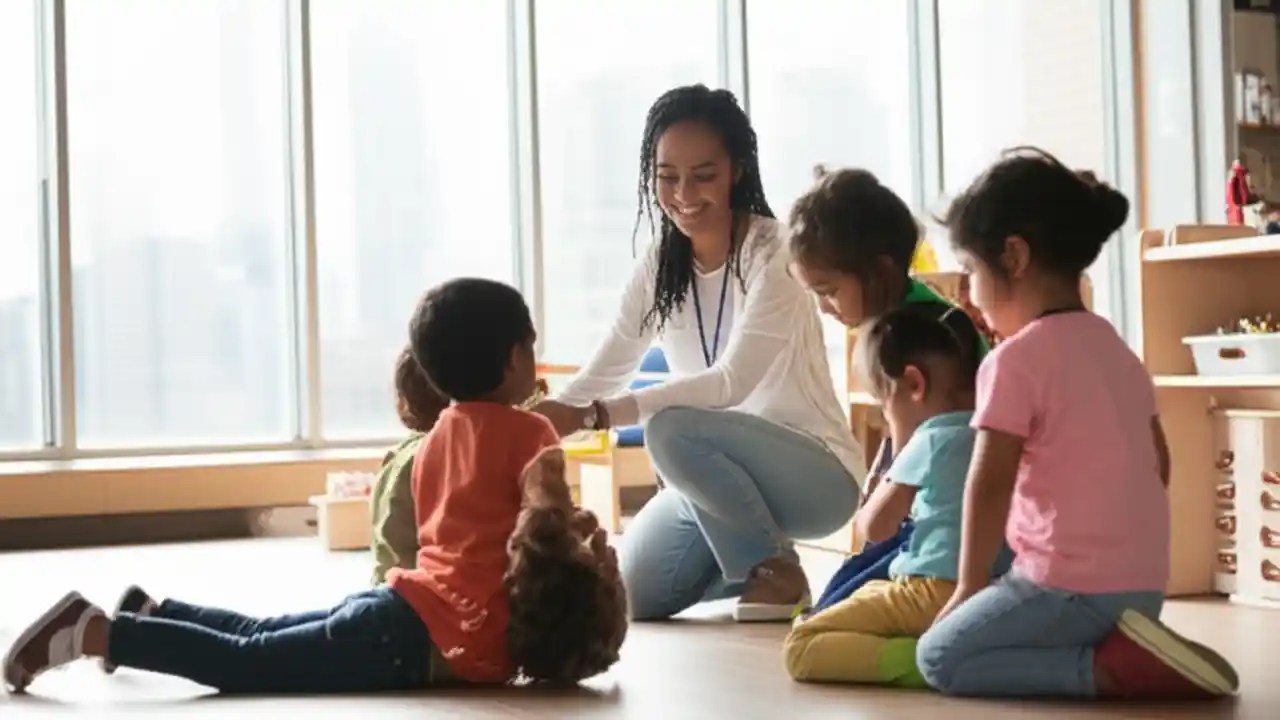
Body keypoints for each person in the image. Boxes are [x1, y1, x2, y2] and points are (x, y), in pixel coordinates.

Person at [3, 278, 627, 694]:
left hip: (405, 606)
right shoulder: (533, 435)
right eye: (532, 348)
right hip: (433, 638)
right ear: (515, 359)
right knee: (253, 663)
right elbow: (546, 532)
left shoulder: (435, 436)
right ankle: (98, 632)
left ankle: (155, 614)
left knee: (263, 635)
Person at [915, 148, 1238, 699]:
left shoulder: (1013, 360)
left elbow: (988, 482)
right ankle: (1130, 646)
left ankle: (1105, 671)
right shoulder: (1117, 350)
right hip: (1143, 590)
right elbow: (1158, 463)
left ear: (1013, 256)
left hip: (1065, 590)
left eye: (970, 269)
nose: (967, 292)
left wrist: (968, 586)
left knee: (938, 656)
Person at [531, 85, 861, 622]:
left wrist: (597, 417)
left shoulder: (775, 252)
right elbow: (612, 362)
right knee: (633, 594)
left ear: (736, 170)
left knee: (670, 429)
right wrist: (544, 423)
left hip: (815, 474)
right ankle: (752, 562)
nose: (684, 192)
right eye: (667, 176)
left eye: (703, 175)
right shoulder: (661, 264)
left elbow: (730, 383)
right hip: (713, 477)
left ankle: (777, 570)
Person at [787, 168, 990, 616]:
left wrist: (885, 495)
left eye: (830, 291)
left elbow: (928, 440)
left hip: (946, 520)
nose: (824, 307)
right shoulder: (910, 318)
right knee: (847, 585)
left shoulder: (921, 332)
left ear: (880, 270)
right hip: (926, 506)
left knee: (838, 600)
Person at [784, 309, 1007, 687]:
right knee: (872, 589)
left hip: (932, 591)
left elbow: (876, 527)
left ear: (913, 384)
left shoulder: (931, 438)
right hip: (997, 588)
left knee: (801, 646)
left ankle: (925, 662)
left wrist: (887, 475)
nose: (888, 422)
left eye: (884, 407)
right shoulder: (998, 434)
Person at [370, 346, 450, 585]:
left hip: (382, 585)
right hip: (413, 596)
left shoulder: (398, 454)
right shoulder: (440, 455)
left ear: (402, 401)